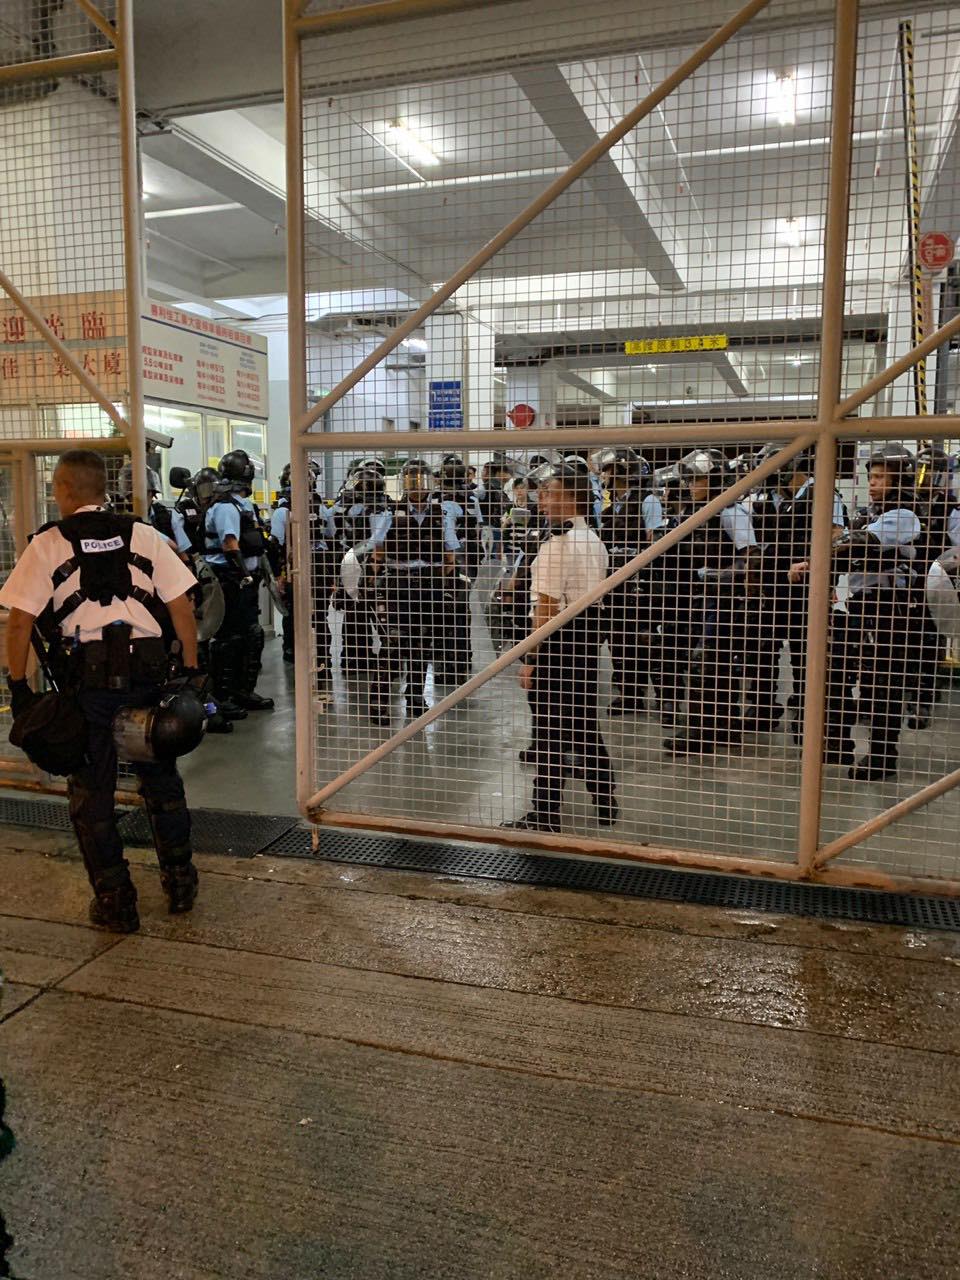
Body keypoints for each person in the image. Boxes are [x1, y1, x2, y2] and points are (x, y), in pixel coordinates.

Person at [0, 449, 202, 932]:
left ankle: (116, 902)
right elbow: (182, 609)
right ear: (102, 488)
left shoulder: (47, 545)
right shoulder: (145, 535)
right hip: (147, 682)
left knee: (93, 797)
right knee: (161, 782)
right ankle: (179, 883)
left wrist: (17, 686)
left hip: (86, 690)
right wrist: (191, 672)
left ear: (65, 489)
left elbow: (20, 623)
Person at [789, 443, 921, 780]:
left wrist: (825, 550)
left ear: (900, 481)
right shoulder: (872, 514)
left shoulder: (903, 516)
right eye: (872, 476)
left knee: (880, 685)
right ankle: (836, 743)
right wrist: (815, 560)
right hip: (856, 605)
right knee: (837, 676)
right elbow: (846, 547)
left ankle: (882, 756)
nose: (873, 483)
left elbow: (859, 543)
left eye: (881, 477)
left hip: (888, 608)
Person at [501, 461, 615, 834]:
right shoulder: (593, 540)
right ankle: (605, 797)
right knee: (582, 724)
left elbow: (545, 607)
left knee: (549, 728)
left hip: (557, 640)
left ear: (572, 497)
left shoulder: (556, 545)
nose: (542, 500)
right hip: (586, 640)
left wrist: (532, 658)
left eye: (550, 493)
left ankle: (545, 814)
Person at [657, 449, 757, 756]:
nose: (690, 484)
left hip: (725, 600)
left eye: (697, 478)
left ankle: (702, 728)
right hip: (699, 599)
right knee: (710, 660)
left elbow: (751, 559)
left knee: (707, 660)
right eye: (689, 479)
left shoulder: (729, 511)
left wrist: (717, 577)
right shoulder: (695, 512)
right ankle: (722, 726)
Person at [369, 458, 459, 723]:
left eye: (421, 479)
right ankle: (379, 701)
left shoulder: (441, 513)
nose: (417, 486)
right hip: (398, 583)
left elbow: (450, 556)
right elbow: (377, 551)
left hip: (428, 583)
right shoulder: (389, 512)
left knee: (421, 644)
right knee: (393, 645)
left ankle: (416, 698)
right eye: (410, 480)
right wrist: (376, 586)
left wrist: (436, 580)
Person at [203, 449, 274, 715]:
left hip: (246, 580)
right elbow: (230, 544)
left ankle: (244, 690)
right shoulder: (225, 507)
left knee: (251, 636)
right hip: (229, 580)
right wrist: (243, 573)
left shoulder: (243, 506)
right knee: (229, 639)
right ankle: (222, 696)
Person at [596, 447, 664, 716]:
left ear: (622, 471)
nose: (604, 475)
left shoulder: (648, 501)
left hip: (640, 581)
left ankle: (658, 693)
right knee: (618, 639)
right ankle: (628, 694)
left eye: (608, 469)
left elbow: (656, 540)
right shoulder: (611, 503)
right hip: (614, 581)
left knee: (641, 638)